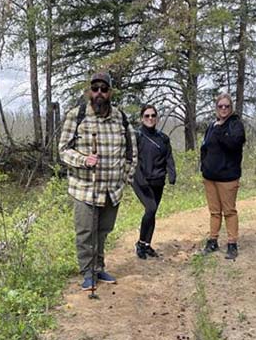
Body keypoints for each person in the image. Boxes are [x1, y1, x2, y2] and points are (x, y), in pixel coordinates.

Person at [58, 72, 135, 290]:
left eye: (103, 88)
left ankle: (99, 267)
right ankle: (87, 272)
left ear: (110, 92)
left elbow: (131, 150)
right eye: (95, 88)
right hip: (85, 187)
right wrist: (83, 160)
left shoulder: (120, 117)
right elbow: (63, 150)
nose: (99, 93)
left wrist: (126, 176)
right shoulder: (77, 115)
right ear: (89, 91)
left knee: (103, 231)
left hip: (112, 188)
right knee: (86, 231)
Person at [199, 93, 245, 260]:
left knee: (229, 211)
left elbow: (233, 144)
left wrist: (219, 130)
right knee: (214, 212)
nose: (223, 109)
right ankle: (213, 241)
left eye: (226, 106)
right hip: (210, 176)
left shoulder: (235, 125)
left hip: (228, 177)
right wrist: (203, 166)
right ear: (216, 108)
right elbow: (205, 147)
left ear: (231, 108)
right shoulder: (212, 125)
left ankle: (232, 243)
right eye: (220, 106)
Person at [132, 103, 176, 259]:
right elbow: (132, 160)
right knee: (150, 209)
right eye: (147, 116)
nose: (150, 118)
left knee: (152, 212)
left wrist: (172, 173)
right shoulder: (137, 136)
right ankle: (140, 243)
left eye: (153, 115)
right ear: (141, 118)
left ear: (157, 118)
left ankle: (147, 245)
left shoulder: (163, 138)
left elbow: (168, 157)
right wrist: (140, 179)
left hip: (158, 180)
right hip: (141, 181)